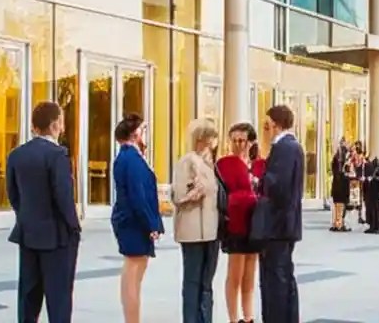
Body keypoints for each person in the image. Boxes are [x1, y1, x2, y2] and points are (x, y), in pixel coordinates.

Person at [6, 101, 81, 323]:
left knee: (28, 294)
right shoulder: (57, 155)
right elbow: (63, 196)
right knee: (59, 298)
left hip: (28, 232)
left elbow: (13, 194)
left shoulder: (17, 155)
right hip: (57, 237)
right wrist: (74, 225)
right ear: (56, 123)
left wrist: (26, 216)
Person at [111, 113, 163, 323]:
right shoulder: (130, 158)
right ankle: (132, 319)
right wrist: (150, 224)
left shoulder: (129, 156)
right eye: (144, 130)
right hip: (133, 221)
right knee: (133, 270)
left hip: (132, 219)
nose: (145, 135)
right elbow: (137, 195)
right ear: (135, 134)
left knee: (136, 270)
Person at [172, 118, 221, 323]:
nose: (212, 143)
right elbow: (179, 195)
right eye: (209, 138)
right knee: (193, 282)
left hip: (210, 231)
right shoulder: (187, 161)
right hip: (192, 232)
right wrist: (196, 189)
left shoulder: (209, 164)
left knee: (206, 282)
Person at [258, 105, 304, 323]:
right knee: (283, 276)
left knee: (276, 279)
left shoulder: (284, 147)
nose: (265, 130)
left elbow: (278, 185)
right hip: (285, 224)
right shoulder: (292, 147)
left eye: (267, 125)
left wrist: (258, 180)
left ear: (275, 124)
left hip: (278, 225)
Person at [219, 122, 265, 323]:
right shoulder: (224, 163)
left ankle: (249, 316)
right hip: (235, 223)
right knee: (235, 273)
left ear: (250, 142)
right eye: (234, 140)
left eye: (242, 141)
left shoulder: (259, 165)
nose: (238, 145)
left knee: (250, 273)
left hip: (255, 223)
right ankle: (233, 317)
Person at [329, 138, 350, 232]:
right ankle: (339, 223)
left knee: (337, 205)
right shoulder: (344, 163)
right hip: (342, 186)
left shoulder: (335, 160)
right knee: (341, 206)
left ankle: (336, 222)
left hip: (336, 186)